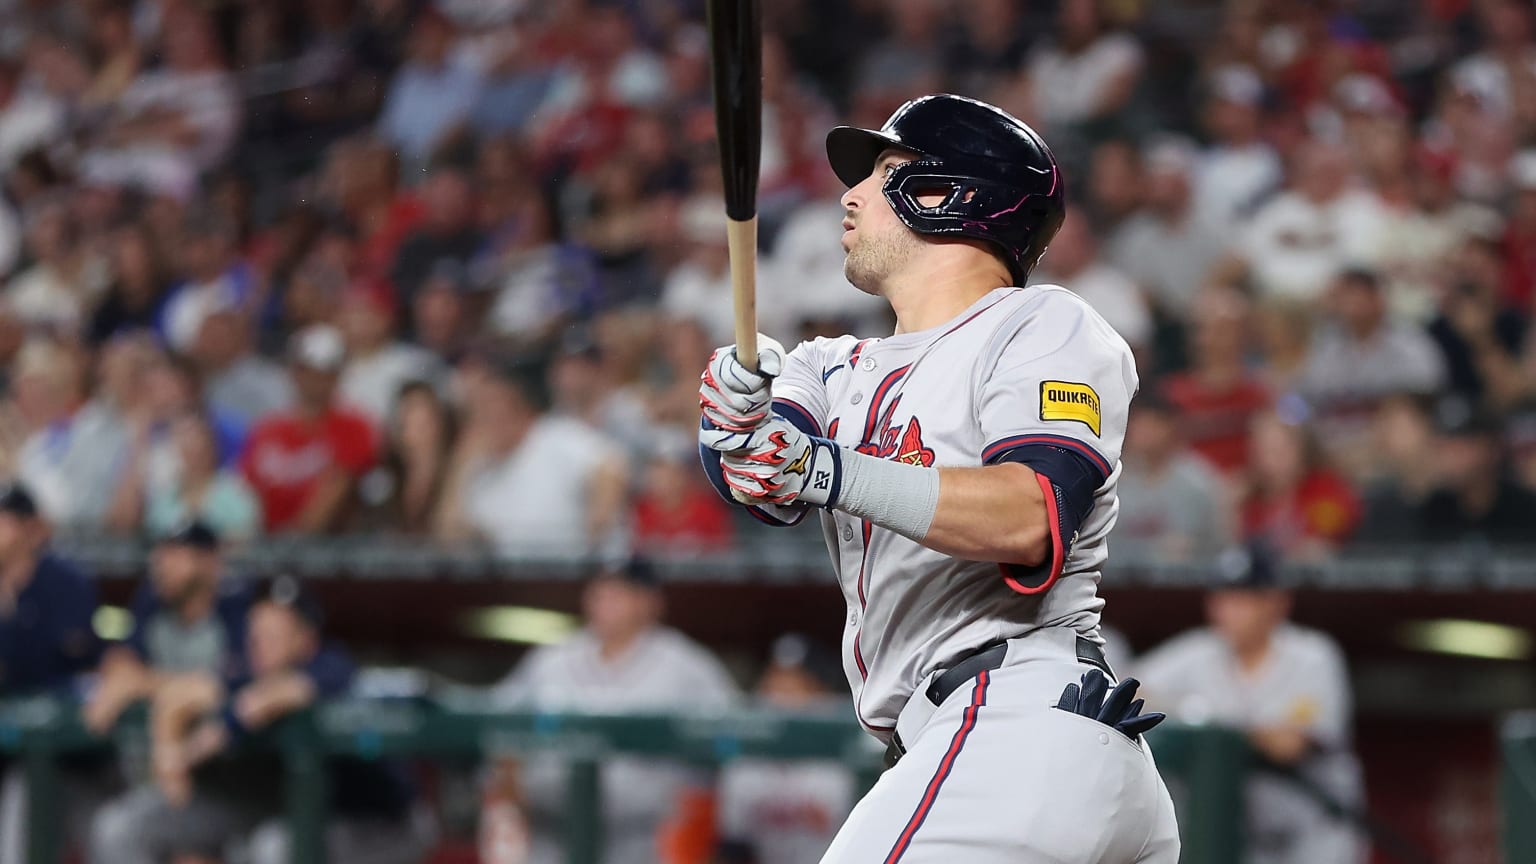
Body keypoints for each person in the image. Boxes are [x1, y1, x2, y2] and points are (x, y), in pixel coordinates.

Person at [696, 94, 1178, 862]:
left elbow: (1028, 516)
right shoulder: (831, 363)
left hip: (1015, 714)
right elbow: (764, 479)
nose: (849, 195)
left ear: (946, 194)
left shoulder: (1039, 324)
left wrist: (820, 467)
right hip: (982, 745)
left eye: (883, 170)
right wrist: (735, 423)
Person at [111, 578, 433, 864]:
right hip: (311, 814)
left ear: (305, 639)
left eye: (273, 635)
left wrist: (208, 740)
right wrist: (171, 751)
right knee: (131, 827)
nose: (259, 644)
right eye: (256, 634)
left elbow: (270, 700)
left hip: (387, 822)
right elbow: (189, 691)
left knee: (274, 848)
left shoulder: (331, 665)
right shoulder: (251, 672)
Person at [487, 559, 739, 864]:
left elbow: (735, 738)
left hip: (640, 837)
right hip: (550, 831)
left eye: (617, 593)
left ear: (649, 602)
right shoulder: (552, 658)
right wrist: (509, 776)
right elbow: (496, 722)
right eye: (598, 592)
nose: (603, 602)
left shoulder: (686, 665)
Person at [1134, 544, 1367, 864]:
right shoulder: (1200, 651)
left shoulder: (1313, 656)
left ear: (1276, 603)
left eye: (1243, 598)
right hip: (1249, 840)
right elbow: (1129, 690)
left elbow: (1289, 746)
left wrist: (1208, 720)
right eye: (1222, 598)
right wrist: (1185, 711)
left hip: (1314, 835)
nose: (1228, 610)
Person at [0, 484, 103, 864]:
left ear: (30, 528)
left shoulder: (65, 581)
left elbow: (72, 660)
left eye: (4, 521)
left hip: (70, 754)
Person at [435, 353, 627, 556]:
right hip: (507, 573)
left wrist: (596, 529)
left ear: (517, 405)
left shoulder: (554, 435)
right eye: (477, 409)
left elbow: (611, 466)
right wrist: (459, 466)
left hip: (569, 567)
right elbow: (448, 534)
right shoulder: (477, 469)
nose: (483, 418)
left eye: (490, 406)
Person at [716, 635, 854, 864]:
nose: (782, 696)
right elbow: (734, 847)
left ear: (822, 691)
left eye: (798, 685)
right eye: (776, 682)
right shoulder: (746, 762)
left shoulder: (844, 757)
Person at [239, 324, 379, 533]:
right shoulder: (267, 429)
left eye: (326, 372)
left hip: (327, 546)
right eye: (308, 370)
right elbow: (248, 492)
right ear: (294, 372)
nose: (316, 380)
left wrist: (293, 540)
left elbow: (336, 490)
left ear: (338, 376)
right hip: (265, 541)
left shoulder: (355, 426)